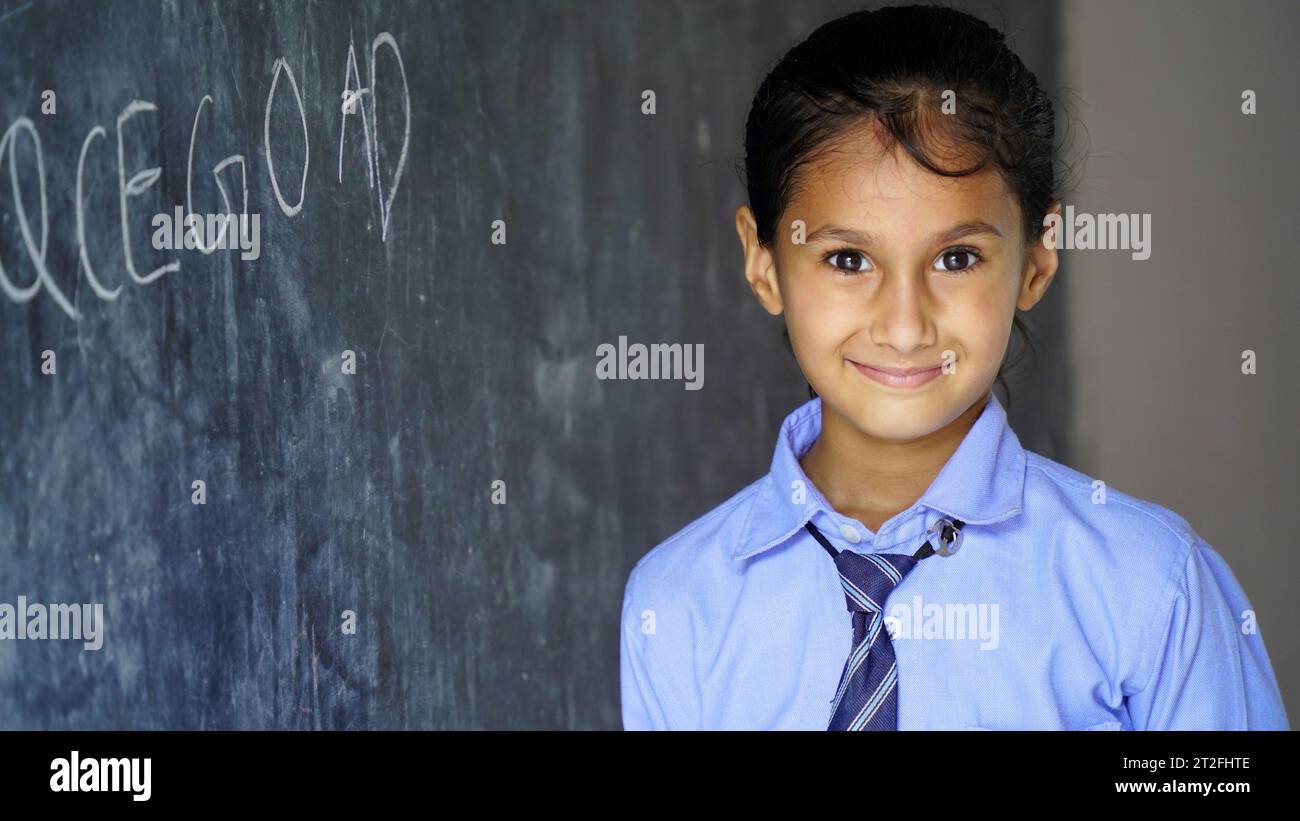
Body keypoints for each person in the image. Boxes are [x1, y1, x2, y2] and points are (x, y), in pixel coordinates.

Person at [619, 4, 1289, 730]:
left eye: (956, 257)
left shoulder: (1153, 588)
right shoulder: (679, 602)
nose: (905, 325)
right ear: (763, 260)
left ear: (1035, 259)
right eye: (847, 260)